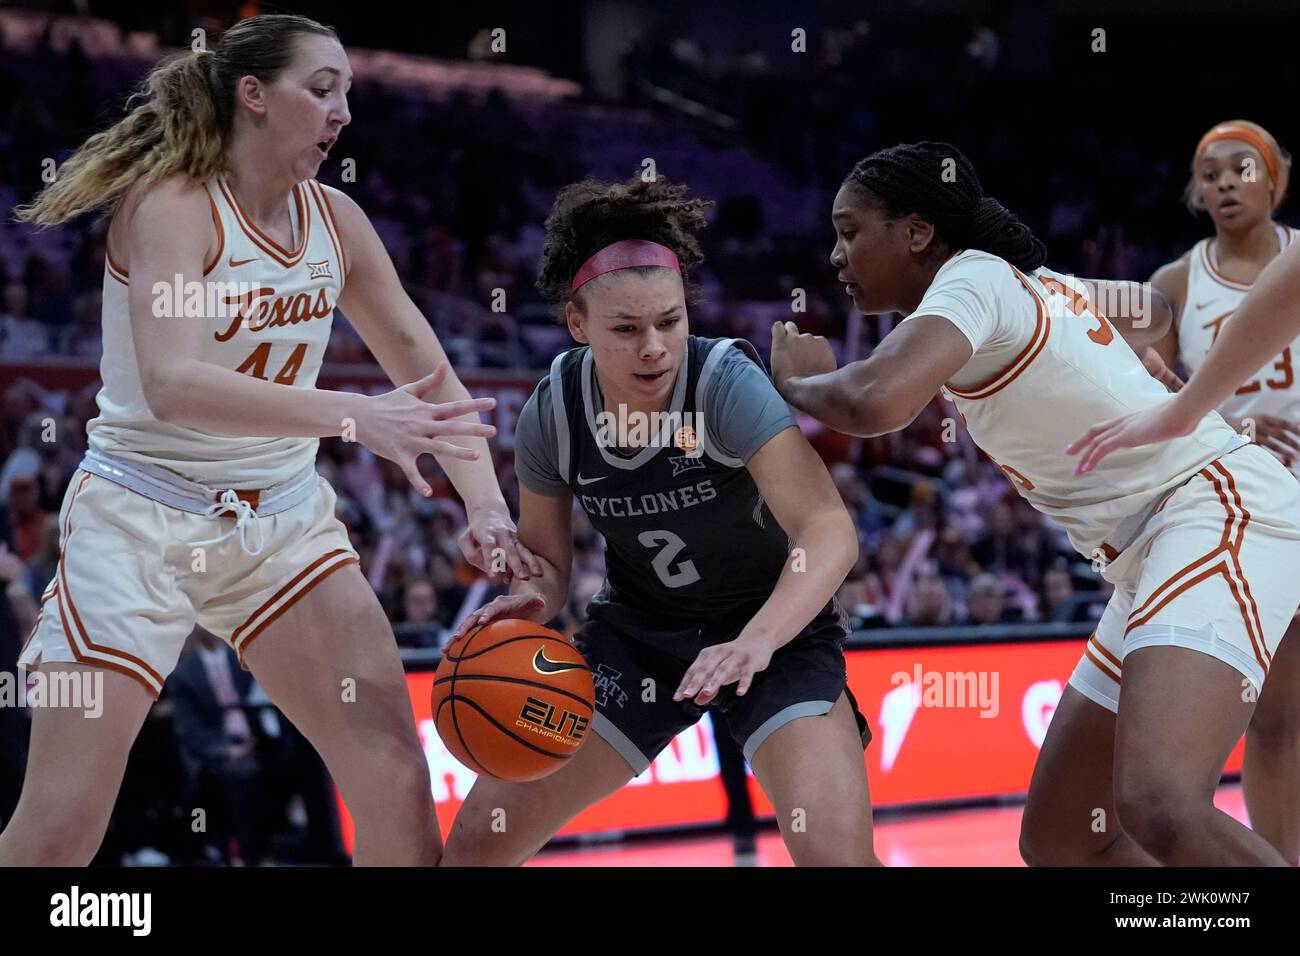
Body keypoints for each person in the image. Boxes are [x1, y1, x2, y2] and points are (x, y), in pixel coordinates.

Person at [0, 13, 538, 866]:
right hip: (142, 519)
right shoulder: (172, 204)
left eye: (348, 94)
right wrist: (355, 415)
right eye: (321, 89)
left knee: (395, 782)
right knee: (61, 827)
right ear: (252, 94)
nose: (343, 112)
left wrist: (486, 507)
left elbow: (427, 374)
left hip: (281, 523)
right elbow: (175, 385)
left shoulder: (338, 222)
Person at [772, 141, 1300, 865]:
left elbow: (872, 400)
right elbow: (1148, 307)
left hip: (1209, 510)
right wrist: (1118, 352)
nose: (835, 255)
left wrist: (799, 383)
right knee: (1063, 836)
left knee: (1161, 801)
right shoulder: (1026, 284)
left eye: (850, 230)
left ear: (918, 231)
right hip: (1157, 548)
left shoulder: (974, 280)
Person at [441, 175, 877, 866]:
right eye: (626, 328)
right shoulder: (552, 413)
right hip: (640, 639)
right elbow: (550, 568)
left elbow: (828, 530)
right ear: (577, 324)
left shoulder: (723, 383)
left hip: (776, 636)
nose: (653, 347)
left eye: (669, 322)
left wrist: (756, 642)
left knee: (836, 857)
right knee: (473, 850)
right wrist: (532, 597)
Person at [1134, 121, 1300, 863]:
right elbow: (1143, 412)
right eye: (1210, 173)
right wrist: (1236, 429)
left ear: (1275, 179)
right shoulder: (1174, 286)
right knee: (1273, 721)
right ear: (1198, 193)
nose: (1225, 182)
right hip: (1246, 515)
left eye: (1241, 168)